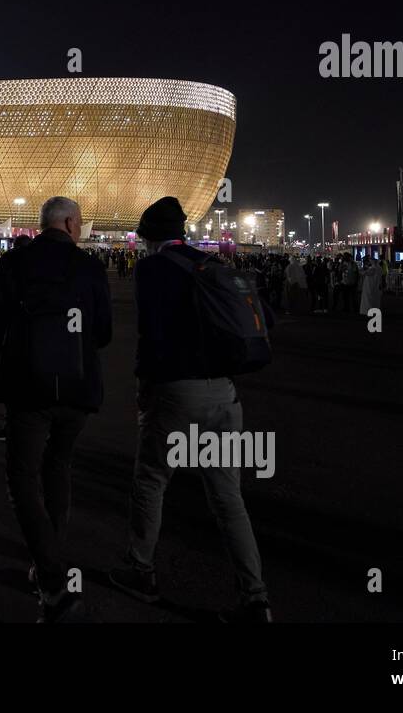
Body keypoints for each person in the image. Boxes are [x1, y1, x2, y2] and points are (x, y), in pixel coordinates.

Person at [108, 196, 272, 623]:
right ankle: (255, 599)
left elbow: (153, 335)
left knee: (151, 480)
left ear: (149, 238)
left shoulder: (152, 269)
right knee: (227, 497)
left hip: (176, 392)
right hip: (224, 394)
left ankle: (140, 571)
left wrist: (144, 388)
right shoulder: (213, 264)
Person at [0, 196, 111, 623]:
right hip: (76, 388)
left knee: (21, 476)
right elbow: (103, 334)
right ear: (70, 223)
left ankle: (52, 579)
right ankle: (48, 565)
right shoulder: (90, 267)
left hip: (27, 388)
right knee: (59, 469)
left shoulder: (15, 263)